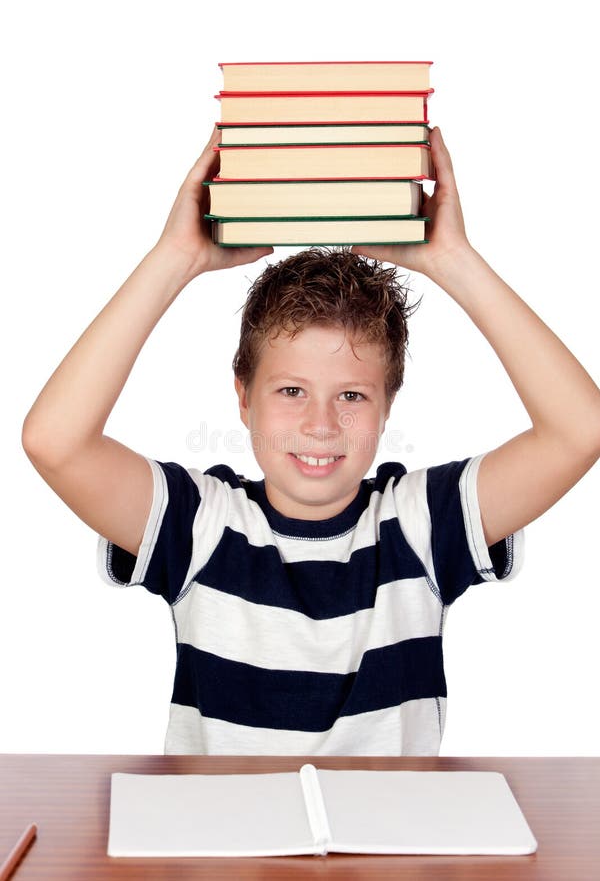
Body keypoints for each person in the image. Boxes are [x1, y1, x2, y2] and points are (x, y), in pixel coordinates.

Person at [22, 125, 600, 756]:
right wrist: (175, 259)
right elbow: (55, 441)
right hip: (225, 848)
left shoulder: (419, 523)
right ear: (242, 397)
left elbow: (580, 429)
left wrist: (451, 258)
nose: (321, 425)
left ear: (387, 408)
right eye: (291, 391)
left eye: (351, 396)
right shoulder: (201, 524)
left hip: (386, 850)